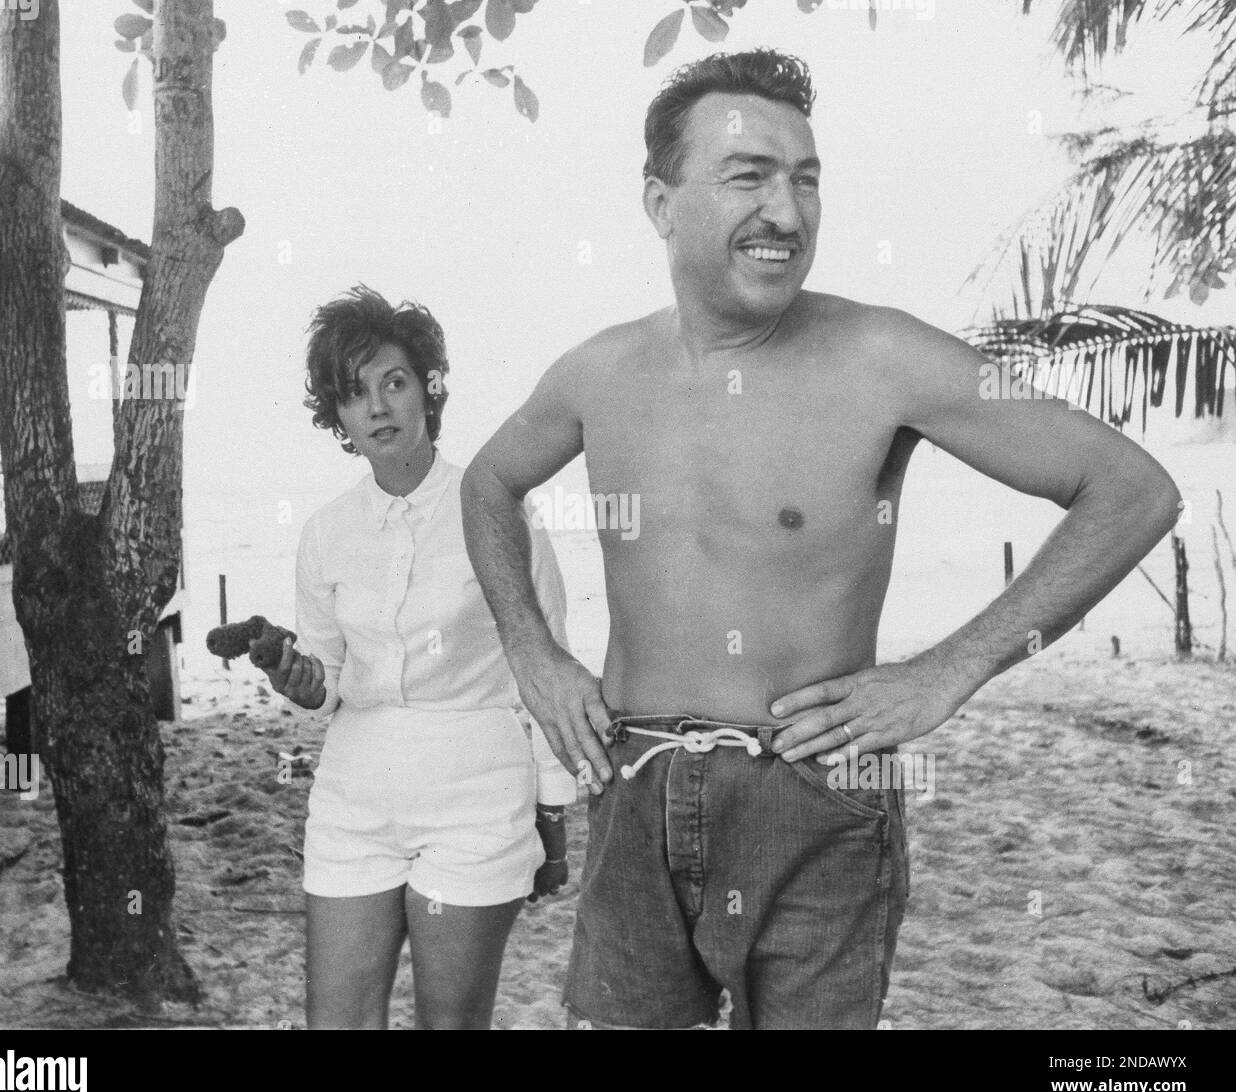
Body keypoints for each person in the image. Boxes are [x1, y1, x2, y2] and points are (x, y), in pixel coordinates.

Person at [460, 49, 1183, 1029]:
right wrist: (530, 651)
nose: (787, 213)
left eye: (804, 179)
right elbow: (489, 483)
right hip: (629, 789)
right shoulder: (596, 373)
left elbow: (1131, 490)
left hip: (815, 798)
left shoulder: (883, 357)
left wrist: (947, 671)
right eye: (748, 176)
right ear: (660, 202)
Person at [258, 286, 578, 1030]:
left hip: (476, 798)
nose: (376, 407)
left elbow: (549, 661)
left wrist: (553, 814)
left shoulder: (498, 511)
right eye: (352, 394)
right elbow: (327, 685)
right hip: (353, 800)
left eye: (393, 382)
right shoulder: (326, 533)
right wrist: (296, 677)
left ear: (429, 389)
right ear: (335, 417)